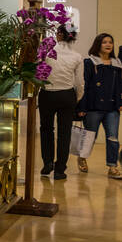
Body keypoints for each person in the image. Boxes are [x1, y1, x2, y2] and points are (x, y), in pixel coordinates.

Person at [40, 25, 84, 179]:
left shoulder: (46, 52)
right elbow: (79, 82)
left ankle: (47, 163)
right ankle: (60, 170)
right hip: (67, 95)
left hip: (47, 94)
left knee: (46, 129)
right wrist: (76, 97)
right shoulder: (77, 56)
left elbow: (39, 73)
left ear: (58, 34)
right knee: (64, 133)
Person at [77, 33, 122, 178]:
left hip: (112, 109)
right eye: (104, 42)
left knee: (113, 138)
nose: (108, 45)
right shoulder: (89, 62)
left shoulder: (117, 64)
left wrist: (121, 103)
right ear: (98, 44)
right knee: (90, 137)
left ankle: (112, 166)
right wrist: (82, 107)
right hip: (93, 108)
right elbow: (85, 86)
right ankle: (82, 157)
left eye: (110, 42)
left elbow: (120, 86)